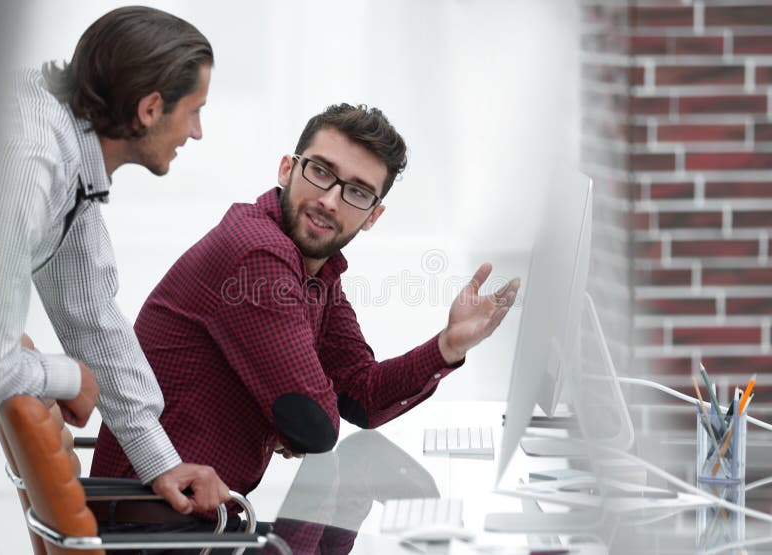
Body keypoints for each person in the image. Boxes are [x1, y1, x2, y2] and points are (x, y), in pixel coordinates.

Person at [91, 103, 519, 517]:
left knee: (349, 504)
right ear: (286, 169)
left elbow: (362, 396)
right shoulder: (258, 253)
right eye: (320, 171)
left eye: (356, 192)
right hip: (153, 526)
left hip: (199, 520)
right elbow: (316, 426)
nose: (330, 201)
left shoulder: (316, 269)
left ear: (373, 216)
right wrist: (291, 417)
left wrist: (446, 347)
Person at [0, 6, 231, 515]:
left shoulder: (66, 150)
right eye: (194, 110)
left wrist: (160, 461)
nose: (197, 132)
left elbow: (91, 312)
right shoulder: (32, 159)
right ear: (151, 108)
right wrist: (68, 376)